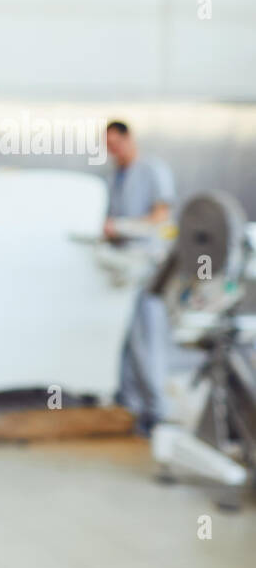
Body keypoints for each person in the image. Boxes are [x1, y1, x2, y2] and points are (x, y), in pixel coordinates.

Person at [103, 120, 175, 435]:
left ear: (129, 138)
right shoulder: (113, 178)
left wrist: (122, 227)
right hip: (123, 267)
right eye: (108, 146)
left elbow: (162, 215)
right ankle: (130, 408)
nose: (113, 150)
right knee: (127, 340)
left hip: (149, 265)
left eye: (116, 143)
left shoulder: (152, 170)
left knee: (148, 339)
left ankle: (157, 411)